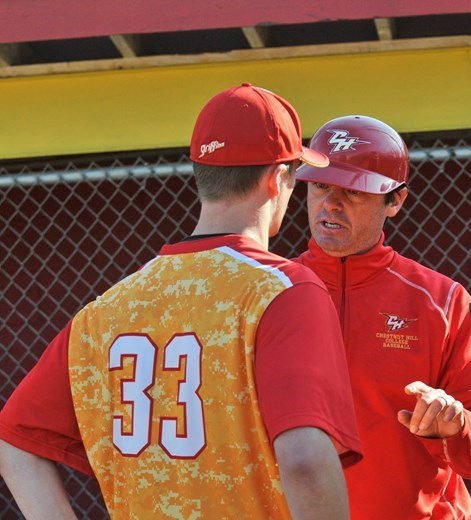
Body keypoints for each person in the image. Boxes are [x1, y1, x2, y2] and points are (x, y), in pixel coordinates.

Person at [0, 83, 362, 519]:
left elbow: (13, 442)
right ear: (276, 179)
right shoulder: (283, 289)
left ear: (203, 175)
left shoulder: (106, 310)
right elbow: (304, 461)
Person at [293, 115, 471, 519]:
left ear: (395, 200)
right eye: (320, 185)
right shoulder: (269, 292)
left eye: (353, 191)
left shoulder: (442, 300)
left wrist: (457, 427)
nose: (330, 203)